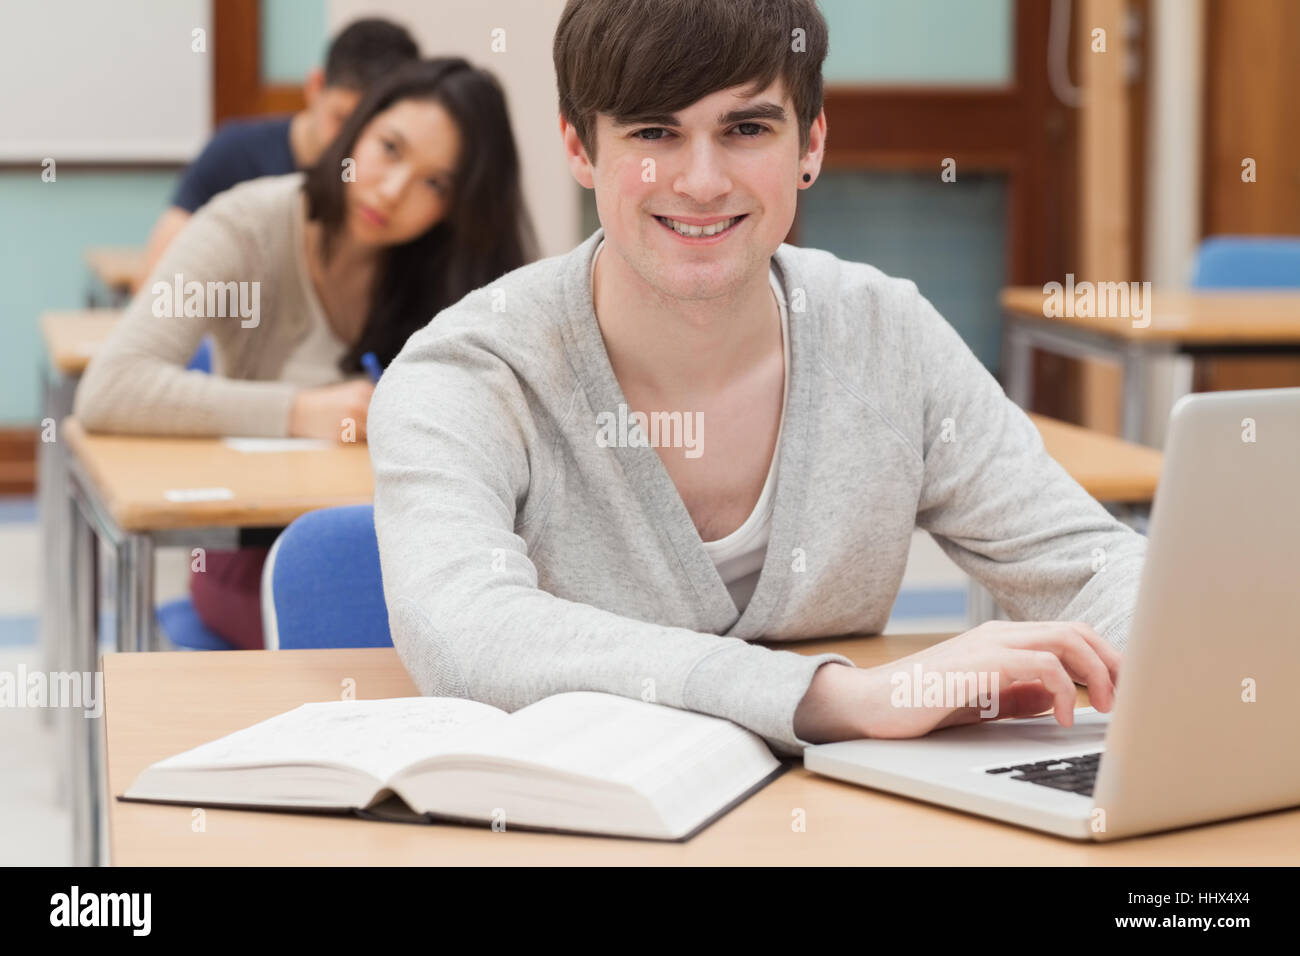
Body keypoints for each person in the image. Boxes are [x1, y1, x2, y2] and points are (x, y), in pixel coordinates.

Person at [367, 0, 1144, 757]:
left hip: (846, 830)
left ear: (810, 145)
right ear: (579, 148)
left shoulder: (886, 333)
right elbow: (463, 631)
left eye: (746, 129)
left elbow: (1097, 569)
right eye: (653, 132)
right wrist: (834, 700)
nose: (702, 182)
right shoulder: (468, 372)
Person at [75, 58, 535, 650]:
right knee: (380, 628)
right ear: (355, 131)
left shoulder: (449, 270)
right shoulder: (246, 225)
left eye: (435, 183)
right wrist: (300, 411)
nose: (393, 191)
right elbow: (111, 387)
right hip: (259, 553)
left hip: (423, 545)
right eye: (389, 148)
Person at [140, 17, 420, 278]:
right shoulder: (234, 152)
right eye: (343, 120)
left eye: (370, 132)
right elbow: (158, 278)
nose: (350, 144)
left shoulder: (383, 190)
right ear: (315, 85)